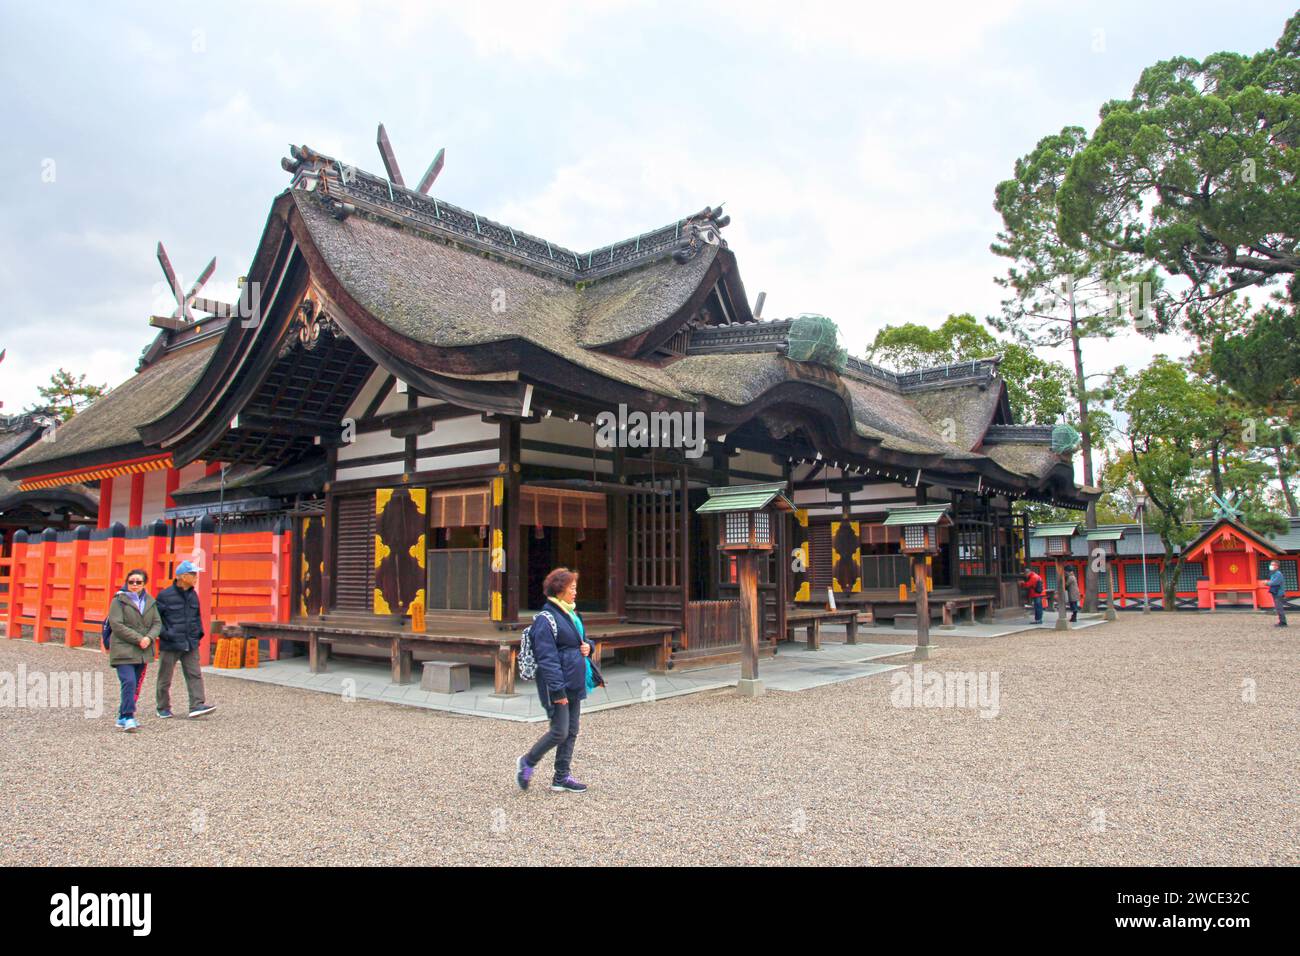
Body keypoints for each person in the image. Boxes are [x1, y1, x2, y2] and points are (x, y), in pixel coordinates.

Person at [515, 568, 603, 793]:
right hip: (556, 684)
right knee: (559, 731)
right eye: (572, 588)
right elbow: (547, 659)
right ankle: (528, 762)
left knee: (572, 730)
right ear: (559, 590)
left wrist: (588, 646)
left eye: (575, 587)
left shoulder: (572, 613)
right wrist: (557, 691)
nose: (575, 592)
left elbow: (583, 640)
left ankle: (561, 777)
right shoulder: (546, 619)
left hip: (575, 679)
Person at [154, 560, 216, 719]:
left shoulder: (193, 595)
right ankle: (162, 707)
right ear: (182, 576)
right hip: (170, 643)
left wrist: (198, 634)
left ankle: (197, 705)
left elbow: (196, 617)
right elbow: (155, 620)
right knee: (165, 677)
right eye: (193, 574)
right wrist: (166, 634)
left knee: (194, 673)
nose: (196, 577)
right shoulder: (164, 595)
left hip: (190, 642)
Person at [107, 569, 162, 732]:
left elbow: (157, 623)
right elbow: (116, 624)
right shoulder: (118, 601)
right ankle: (129, 716)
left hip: (143, 651)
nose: (135, 585)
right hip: (123, 649)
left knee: (135, 684)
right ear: (127, 583)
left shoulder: (150, 601)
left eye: (138, 582)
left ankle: (122, 717)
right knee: (129, 681)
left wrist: (150, 638)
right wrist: (139, 639)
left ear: (144, 583)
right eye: (131, 582)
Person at [1267, 560, 1287, 628]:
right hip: (1275, 592)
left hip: (1278, 593)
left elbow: (1275, 582)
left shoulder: (1278, 574)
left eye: (1273, 564)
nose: (1271, 566)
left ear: (1276, 566)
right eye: (1271, 564)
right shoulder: (1274, 573)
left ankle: (1283, 622)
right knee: (1278, 607)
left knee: (1279, 607)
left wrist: (1267, 583)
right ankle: (1281, 621)